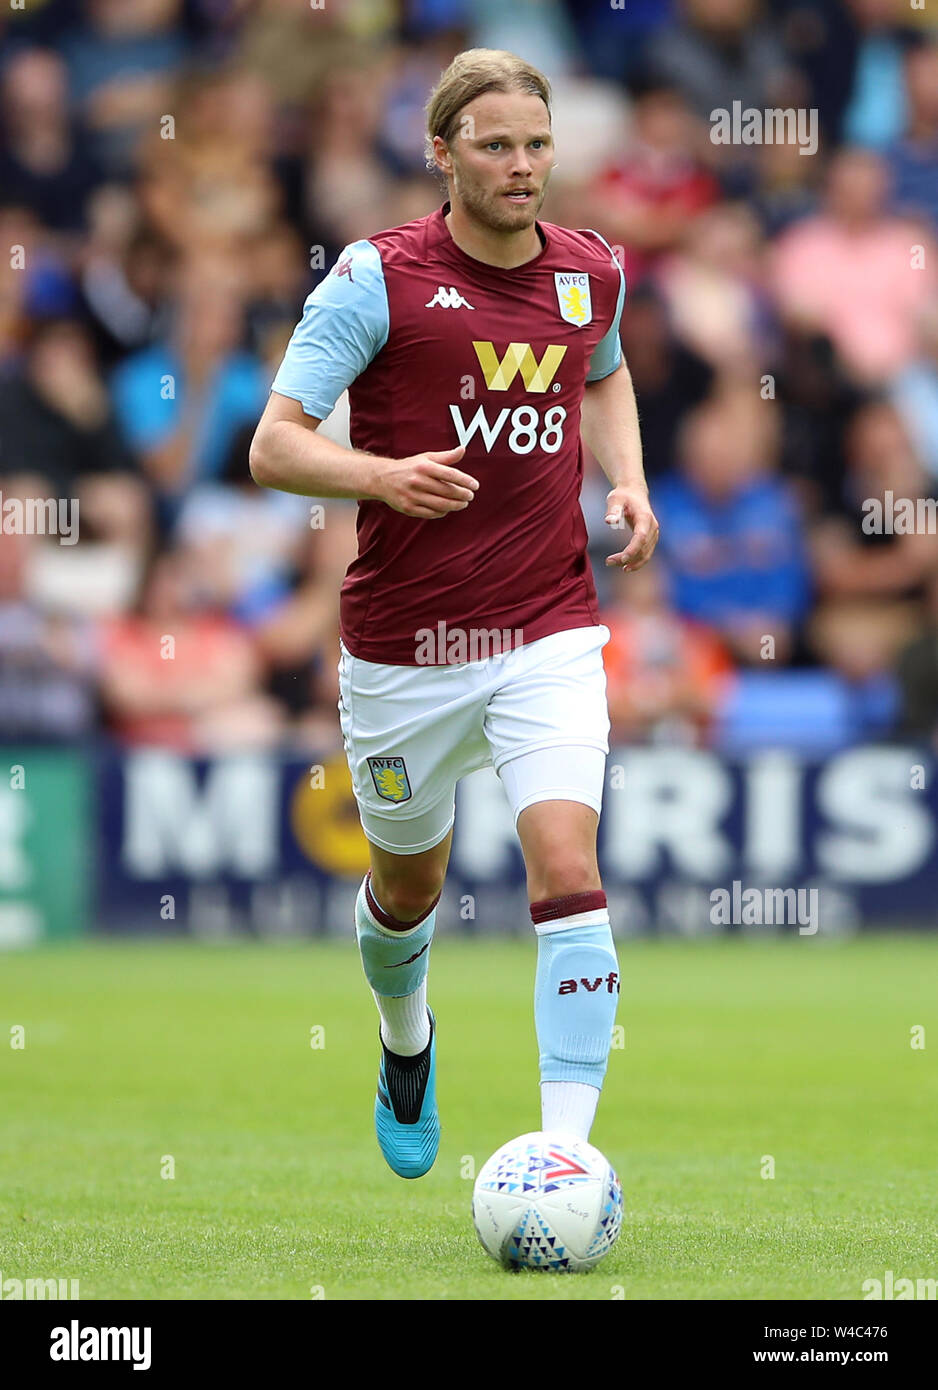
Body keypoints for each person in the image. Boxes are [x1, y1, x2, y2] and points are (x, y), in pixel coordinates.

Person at [250, 48, 658, 1179]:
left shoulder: (590, 272)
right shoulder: (374, 278)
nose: (521, 166)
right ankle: (404, 1041)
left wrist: (625, 479)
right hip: (405, 649)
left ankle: (561, 1160)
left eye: (535, 144)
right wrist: (379, 476)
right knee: (404, 890)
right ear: (441, 152)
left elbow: (605, 370)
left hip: (547, 628)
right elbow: (273, 442)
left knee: (566, 862)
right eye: (493, 145)